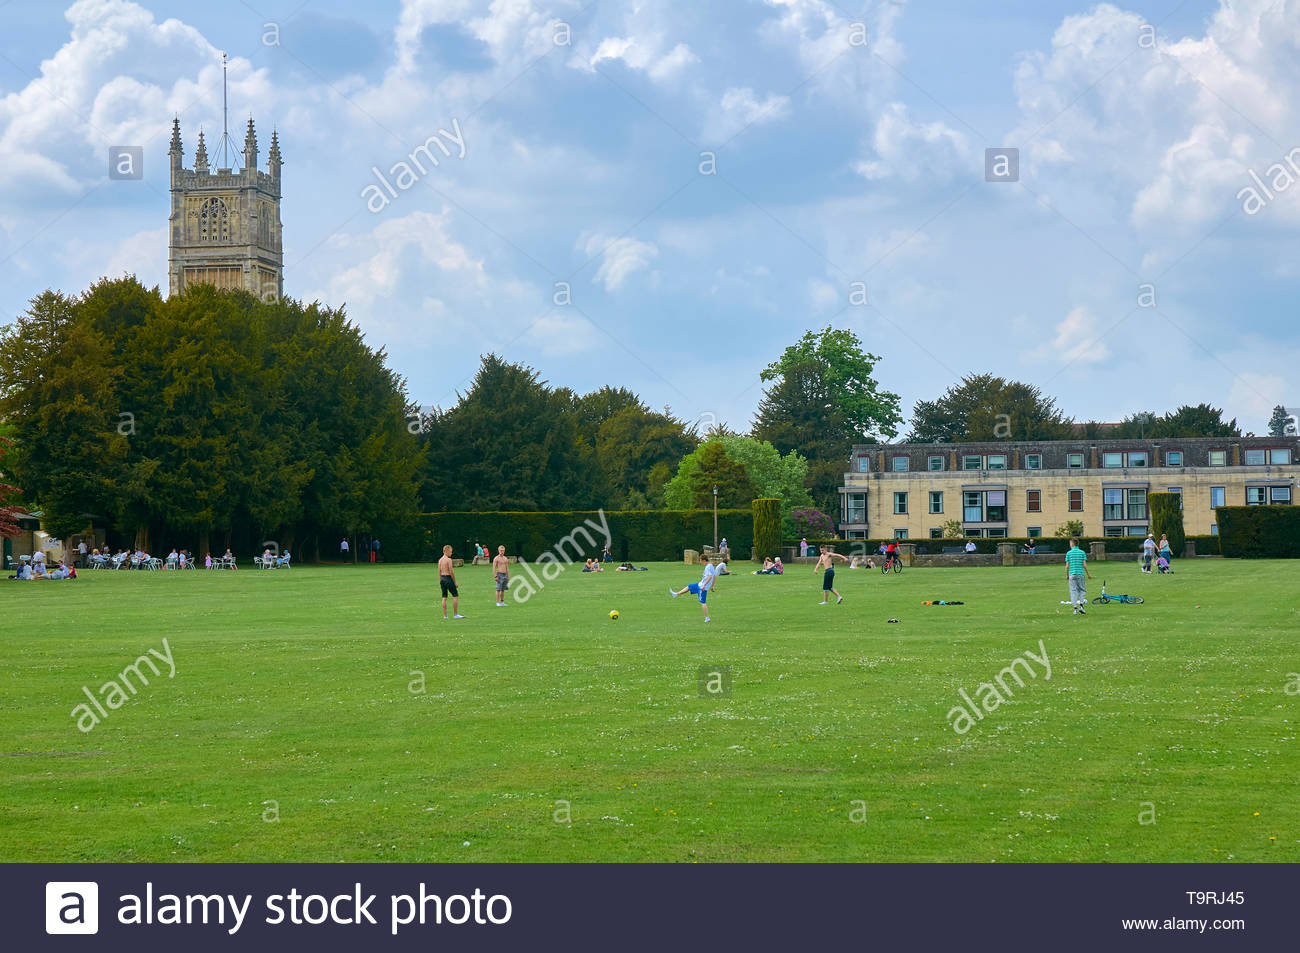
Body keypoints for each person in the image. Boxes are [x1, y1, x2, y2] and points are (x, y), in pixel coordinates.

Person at [1066, 537, 1092, 615]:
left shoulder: (1069, 553)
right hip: (1080, 574)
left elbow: (1067, 566)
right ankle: (1081, 606)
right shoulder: (1082, 552)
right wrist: (1088, 574)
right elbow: (1084, 565)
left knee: (1073, 591)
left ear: (1072, 544)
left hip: (1072, 574)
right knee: (1082, 590)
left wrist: (1067, 575)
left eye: (1070, 543)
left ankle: (1075, 608)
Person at [438, 544, 464, 619]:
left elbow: (439, 571)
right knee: (455, 596)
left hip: (442, 578)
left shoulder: (440, 560)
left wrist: (441, 579)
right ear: (446, 551)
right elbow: (451, 571)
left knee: (444, 597)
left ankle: (445, 616)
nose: (451, 553)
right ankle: (455, 614)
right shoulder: (448, 560)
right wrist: (455, 582)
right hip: (448, 578)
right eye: (450, 552)